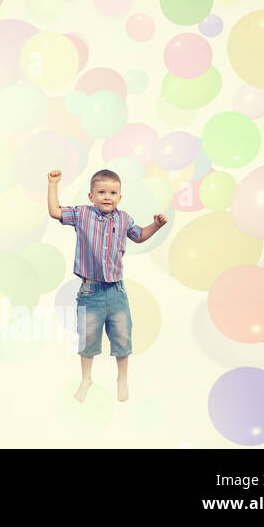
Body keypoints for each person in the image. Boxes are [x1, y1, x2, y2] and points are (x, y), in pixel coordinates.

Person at [47, 168, 167, 402]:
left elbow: (140, 235)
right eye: (101, 192)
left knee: (122, 338)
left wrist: (156, 226)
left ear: (120, 197)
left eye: (113, 192)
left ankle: (122, 379)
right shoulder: (81, 214)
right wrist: (53, 184)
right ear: (91, 196)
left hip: (116, 291)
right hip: (90, 292)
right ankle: (86, 379)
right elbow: (54, 212)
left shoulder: (124, 219)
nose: (107, 197)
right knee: (88, 339)